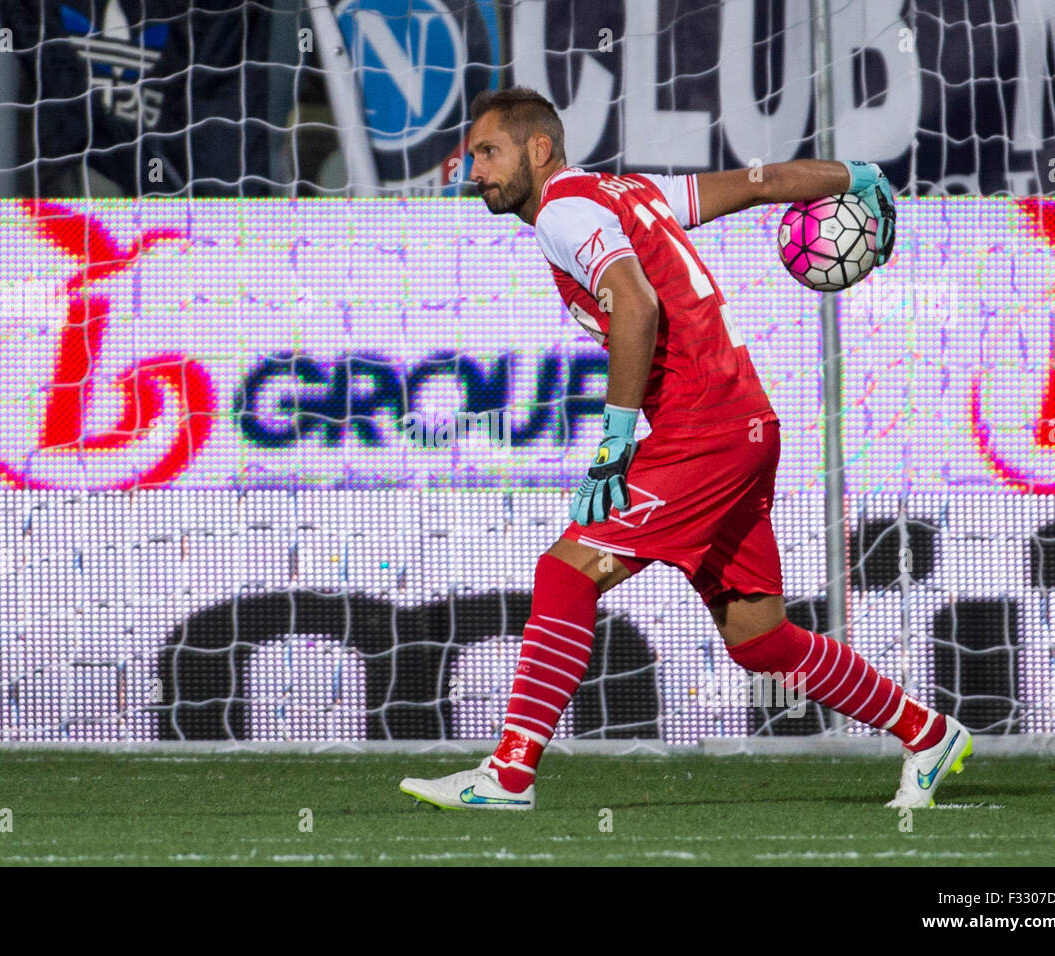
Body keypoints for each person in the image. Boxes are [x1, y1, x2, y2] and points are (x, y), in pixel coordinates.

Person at [399, 87, 971, 811]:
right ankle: (926, 731)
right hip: (745, 428)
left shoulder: (565, 213)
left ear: (538, 150)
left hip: (703, 432)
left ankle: (509, 775)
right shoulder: (632, 191)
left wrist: (613, 443)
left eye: (489, 152)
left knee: (567, 577)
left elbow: (636, 305)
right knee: (760, 639)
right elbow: (762, 184)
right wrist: (856, 176)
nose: (474, 170)